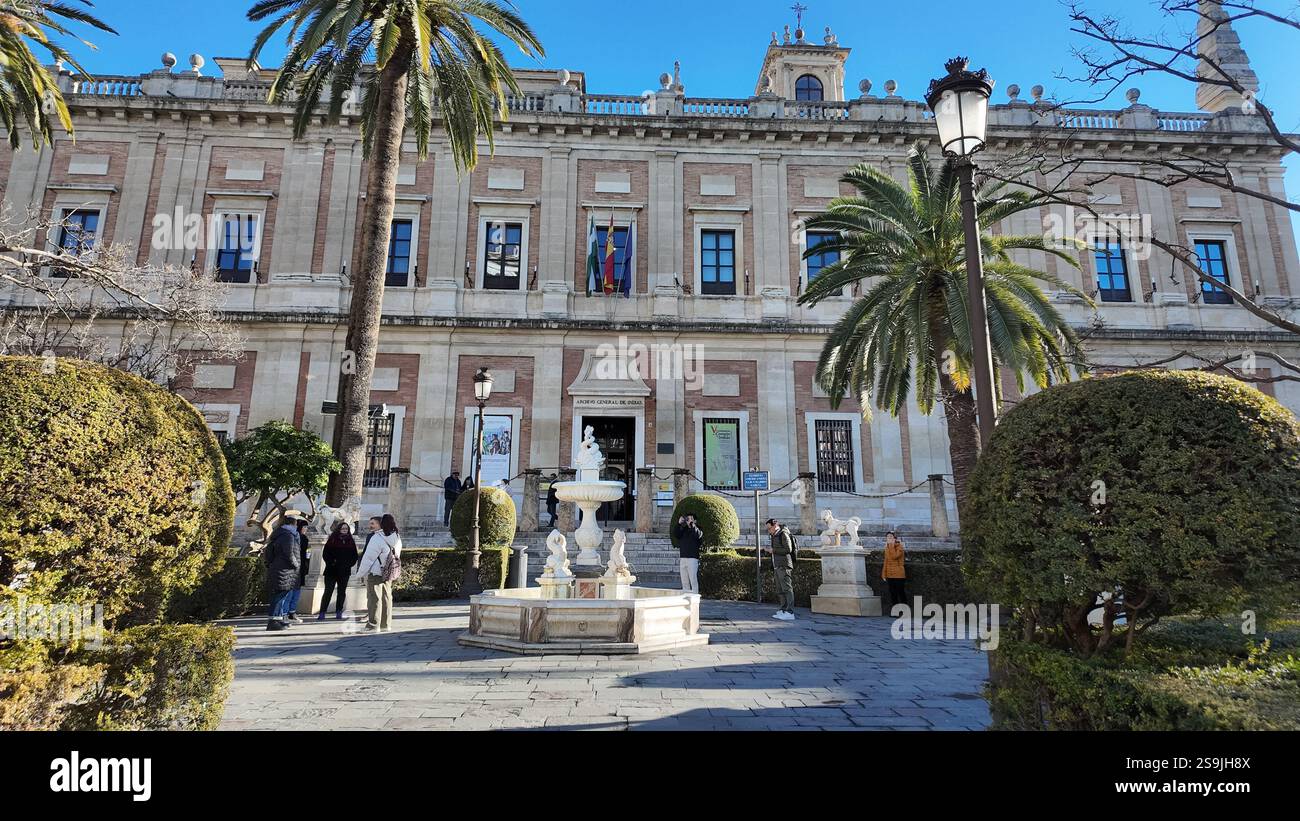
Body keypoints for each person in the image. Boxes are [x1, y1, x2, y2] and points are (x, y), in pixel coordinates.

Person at [356, 514, 403, 632]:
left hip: (376, 571)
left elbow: (368, 558)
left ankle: (373, 625)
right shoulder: (397, 537)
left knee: (374, 598)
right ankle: (385, 624)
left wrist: (360, 574)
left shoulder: (377, 538)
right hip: (389, 571)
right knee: (387, 597)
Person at [264, 518, 301, 631]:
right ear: (292, 525)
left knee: (281, 595)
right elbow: (288, 553)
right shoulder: (288, 536)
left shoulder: (279, 534)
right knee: (279, 596)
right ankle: (273, 621)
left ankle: (278, 619)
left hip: (279, 568)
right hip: (284, 569)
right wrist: (295, 565)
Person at [318, 521, 359, 620]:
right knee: (328, 591)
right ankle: (322, 612)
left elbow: (354, 556)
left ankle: (339, 611)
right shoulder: (332, 539)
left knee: (341, 592)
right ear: (339, 529)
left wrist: (348, 565)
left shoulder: (350, 541)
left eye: (346, 529)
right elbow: (326, 554)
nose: (344, 531)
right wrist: (332, 563)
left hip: (344, 571)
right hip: (331, 570)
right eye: (343, 529)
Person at [764, 518, 797, 621]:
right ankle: (783, 609)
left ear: (775, 526)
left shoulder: (783, 534)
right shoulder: (774, 535)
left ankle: (790, 611)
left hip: (784, 565)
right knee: (780, 589)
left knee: (787, 588)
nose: (769, 531)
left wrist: (773, 550)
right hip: (777, 565)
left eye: (769, 528)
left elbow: (788, 549)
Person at [283, 518, 311, 621]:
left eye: (306, 527)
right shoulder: (294, 537)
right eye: (304, 527)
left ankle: (292, 611)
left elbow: (306, 552)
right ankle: (285, 612)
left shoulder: (304, 538)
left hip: (302, 566)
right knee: (290, 591)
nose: (306, 529)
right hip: (294, 567)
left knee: (297, 590)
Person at [674, 513, 703, 593]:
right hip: (683, 557)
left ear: (695, 521)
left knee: (693, 579)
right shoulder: (684, 530)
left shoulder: (698, 529)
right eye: (688, 518)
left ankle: (695, 598)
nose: (688, 520)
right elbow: (676, 534)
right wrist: (679, 523)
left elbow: (697, 535)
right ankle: (686, 598)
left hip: (692, 558)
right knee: (684, 581)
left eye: (691, 519)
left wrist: (692, 524)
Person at [882, 531, 907, 611]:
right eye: (887, 537)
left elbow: (895, 556)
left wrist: (892, 546)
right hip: (890, 574)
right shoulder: (887, 547)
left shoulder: (899, 547)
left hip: (899, 574)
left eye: (891, 537)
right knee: (893, 594)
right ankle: (895, 611)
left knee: (900, 593)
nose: (889, 539)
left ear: (895, 538)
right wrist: (884, 574)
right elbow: (886, 561)